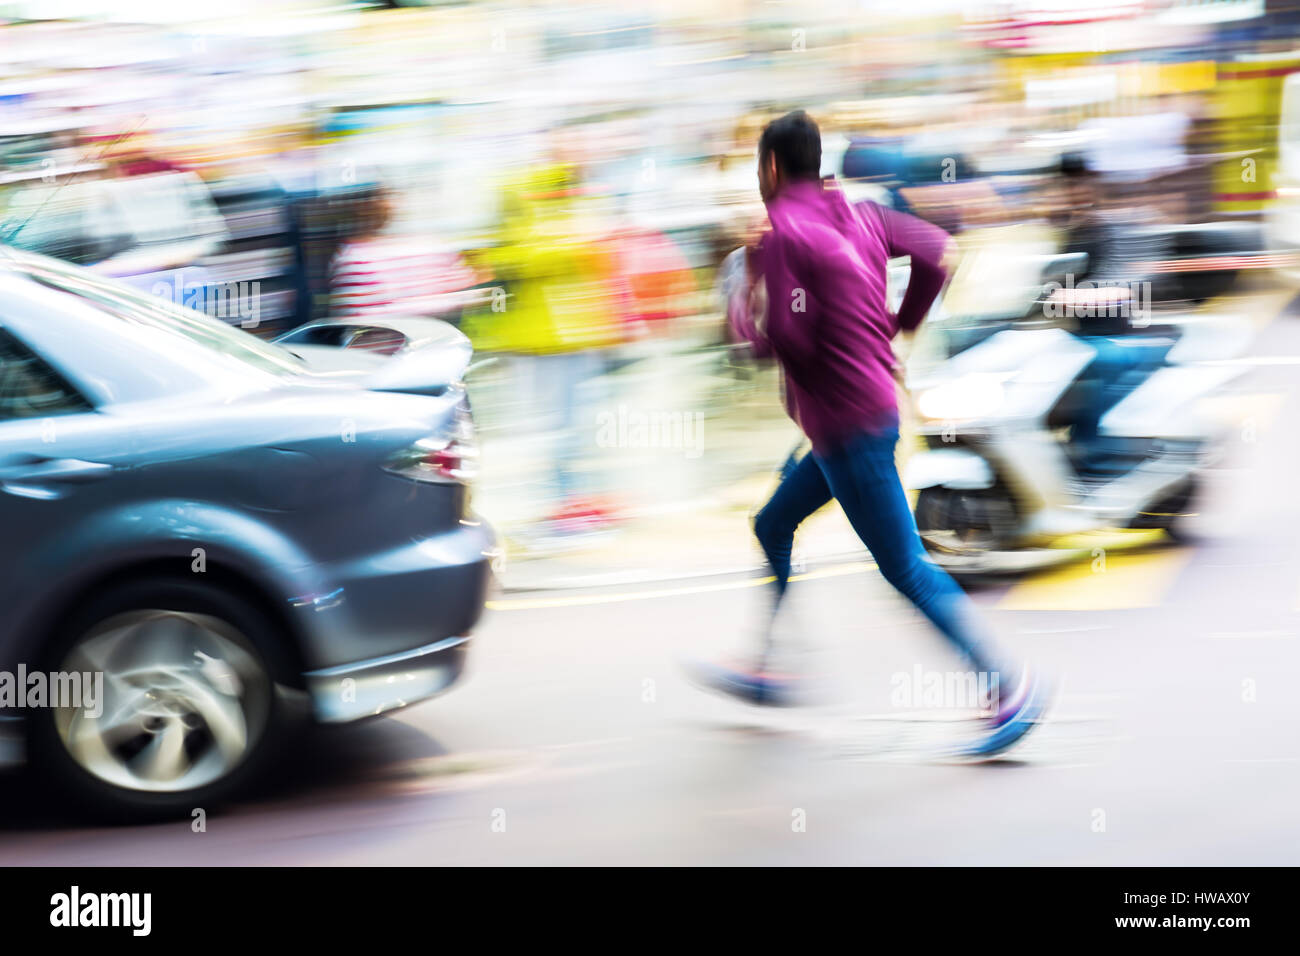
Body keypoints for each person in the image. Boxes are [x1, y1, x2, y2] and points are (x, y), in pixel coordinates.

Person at [693, 110, 1048, 757]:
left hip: (846, 429)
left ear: (770, 168)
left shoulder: (781, 237)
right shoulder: (860, 214)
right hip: (860, 416)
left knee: (905, 567)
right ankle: (770, 667)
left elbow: (789, 343)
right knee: (773, 523)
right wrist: (895, 324)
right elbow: (939, 254)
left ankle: (1006, 689)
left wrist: (743, 307)